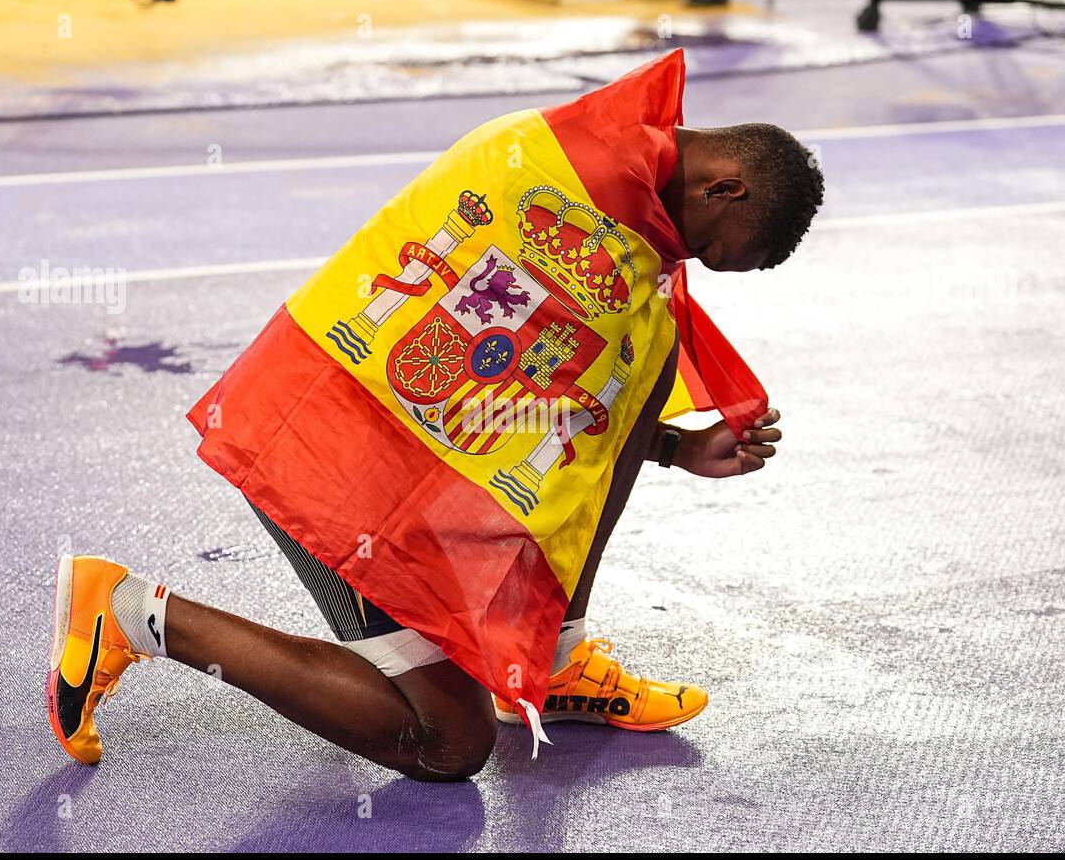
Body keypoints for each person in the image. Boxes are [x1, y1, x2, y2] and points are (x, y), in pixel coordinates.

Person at [46, 51, 823, 782]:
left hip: (359, 439)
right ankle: (129, 613)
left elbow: (547, 394)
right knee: (450, 744)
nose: (683, 262)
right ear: (725, 187)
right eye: (708, 248)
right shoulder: (588, 214)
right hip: (327, 462)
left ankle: (557, 663)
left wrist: (674, 447)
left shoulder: (584, 174)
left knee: (650, 349)